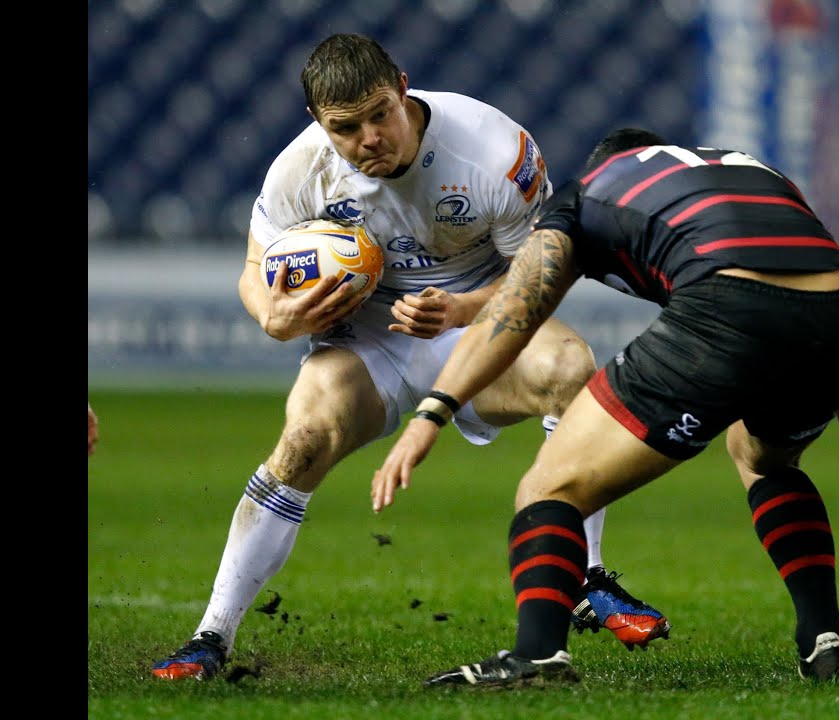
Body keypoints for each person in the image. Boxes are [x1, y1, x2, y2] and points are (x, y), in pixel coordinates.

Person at [149, 35, 668, 682]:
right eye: (346, 127)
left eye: (380, 114)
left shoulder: (494, 152)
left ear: (403, 86)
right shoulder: (299, 170)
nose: (369, 137)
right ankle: (211, 637)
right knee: (305, 435)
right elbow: (255, 272)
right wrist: (271, 315)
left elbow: (540, 277)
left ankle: (586, 575)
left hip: (478, 325)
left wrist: (461, 310)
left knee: (569, 366)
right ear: (319, 123)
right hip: (368, 339)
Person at [370, 128, 839, 688]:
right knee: (761, 457)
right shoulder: (750, 173)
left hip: (726, 305)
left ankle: (538, 655)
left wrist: (433, 413)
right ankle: (825, 642)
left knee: (549, 489)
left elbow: (513, 314)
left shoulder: (587, 195)